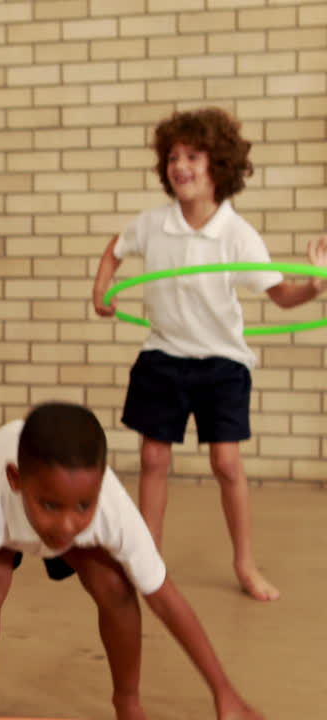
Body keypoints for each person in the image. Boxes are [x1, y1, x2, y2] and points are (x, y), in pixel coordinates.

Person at [0, 403, 264, 720]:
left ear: (102, 483)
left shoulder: (110, 508)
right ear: (17, 481)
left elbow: (167, 601)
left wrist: (224, 693)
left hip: (47, 496)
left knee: (117, 589)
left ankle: (127, 702)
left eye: (82, 506)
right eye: (52, 505)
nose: (68, 524)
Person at [91, 107, 327, 601]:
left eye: (193, 156)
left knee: (226, 463)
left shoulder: (237, 235)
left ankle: (245, 564)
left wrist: (315, 285)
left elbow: (280, 295)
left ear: (218, 165)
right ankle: (147, 557)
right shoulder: (154, 224)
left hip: (222, 361)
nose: (181, 165)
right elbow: (116, 247)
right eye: (173, 157)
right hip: (163, 354)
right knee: (153, 457)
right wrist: (102, 291)